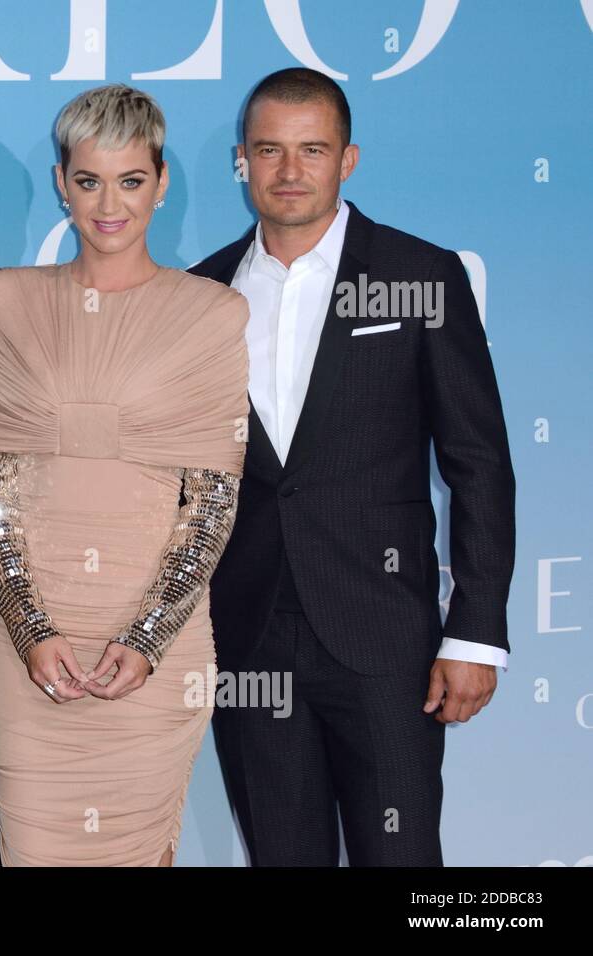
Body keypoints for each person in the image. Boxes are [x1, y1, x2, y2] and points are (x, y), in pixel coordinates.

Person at [191, 68, 515, 866]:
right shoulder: (199, 293)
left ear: (349, 159)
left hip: (384, 637)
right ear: (243, 160)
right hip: (249, 636)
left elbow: (478, 462)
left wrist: (475, 634)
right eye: (269, 150)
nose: (290, 171)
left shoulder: (421, 277)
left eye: (312, 150)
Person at [0, 84, 249, 866]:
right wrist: (31, 628)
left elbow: (213, 500)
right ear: (62, 183)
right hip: (30, 653)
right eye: (89, 181)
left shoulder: (212, 313)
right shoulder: (8, 298)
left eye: (130, 180)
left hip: (155, 651)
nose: (108, 204)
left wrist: (148, 638)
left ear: (161, 182)